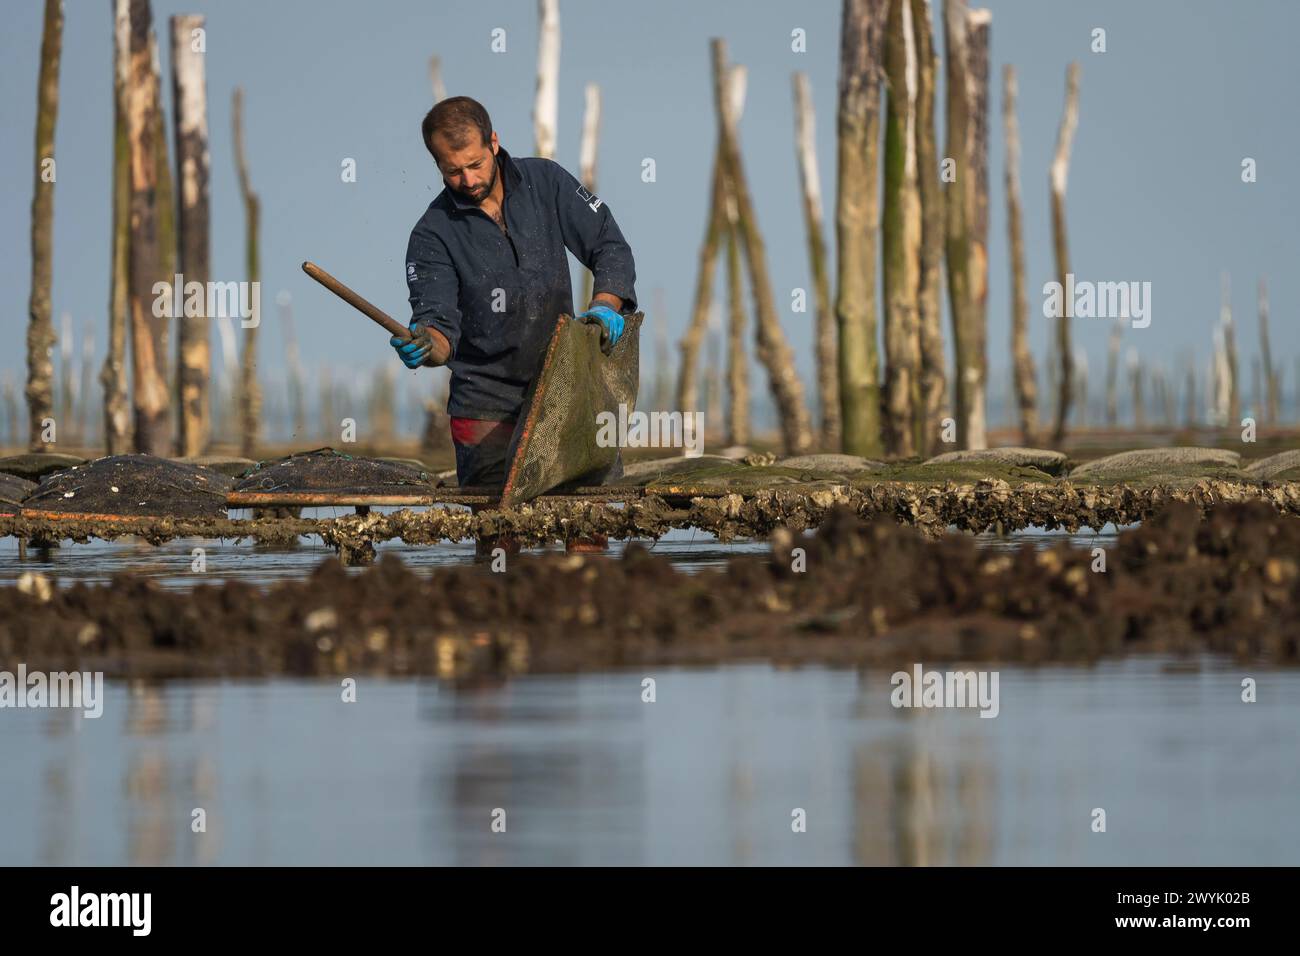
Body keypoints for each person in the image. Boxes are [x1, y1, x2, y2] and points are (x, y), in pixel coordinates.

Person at [396, 96, 638, 554]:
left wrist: (606, 303)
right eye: (452, 171)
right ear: (437, 166)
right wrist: (425, 344)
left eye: (474, 164)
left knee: (586, 530)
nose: (467, 180)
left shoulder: (546, 182)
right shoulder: (431, 235)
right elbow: (440, 329)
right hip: (484, 406)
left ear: (494, 142)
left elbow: (610, 245)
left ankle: (587, 617)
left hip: (567, 393)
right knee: (498, 545)